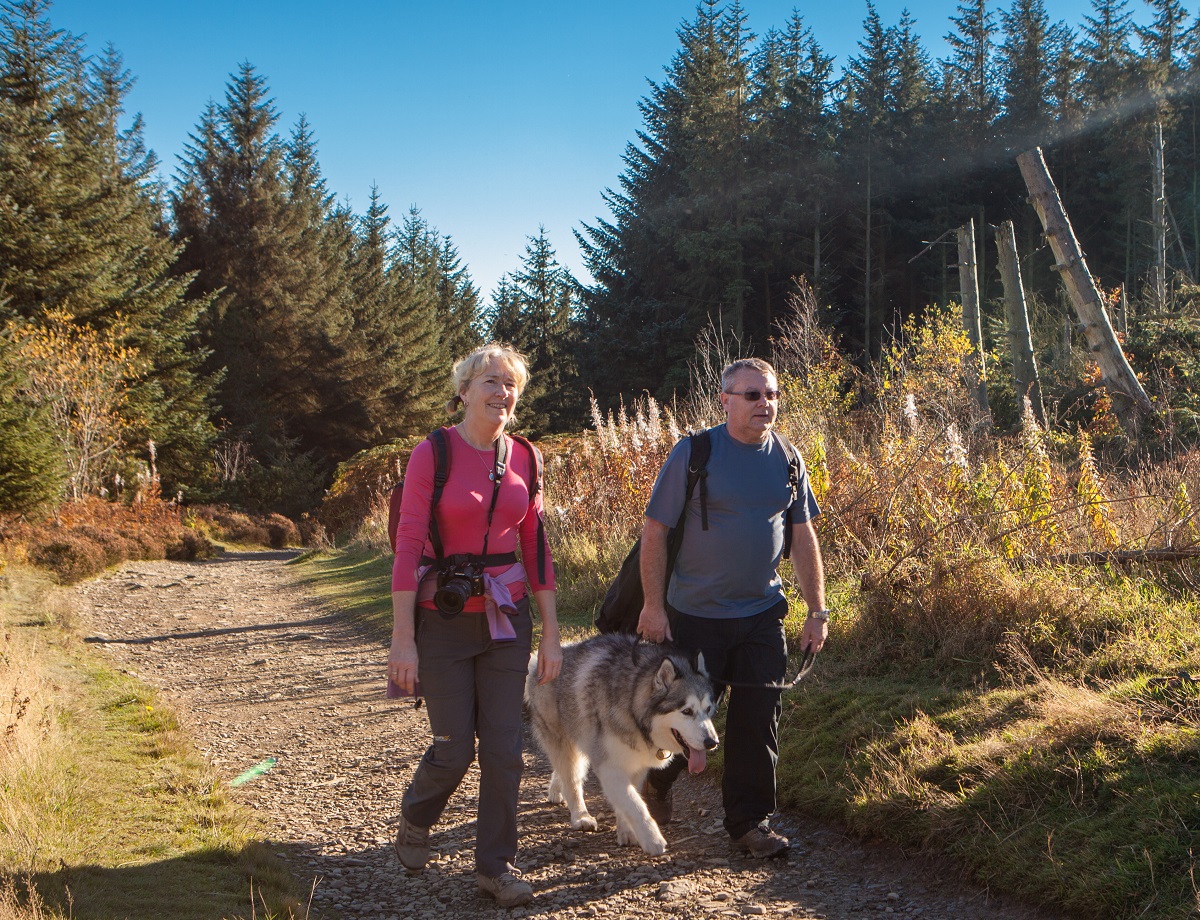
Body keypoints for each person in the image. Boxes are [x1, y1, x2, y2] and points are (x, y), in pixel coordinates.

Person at [388, 343, 562, 908]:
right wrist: (402, 639)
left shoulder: (526, 457)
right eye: (490, 381)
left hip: (507, 619)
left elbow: (534, 544)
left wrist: (553, 629)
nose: (502, 393)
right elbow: (409, 544)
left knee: (506, 749)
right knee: (454, 747)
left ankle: (496, 867)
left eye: (510, 384)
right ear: (464, 390)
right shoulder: (432, 453)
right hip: (442, 621)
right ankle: (418, 813)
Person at [636, 356, 828, 859]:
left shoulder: (787, 458)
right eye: (754, 395)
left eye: (773, 395)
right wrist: (654, 608)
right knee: (687, 718)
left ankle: (749, 823)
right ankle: (656, 782)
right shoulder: (695, 453)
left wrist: (817, 610)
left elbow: (804, 535)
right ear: (726, 400)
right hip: (694, 618)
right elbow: (654, 531)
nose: (766, 404)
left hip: (762, 615)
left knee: (758, 719)